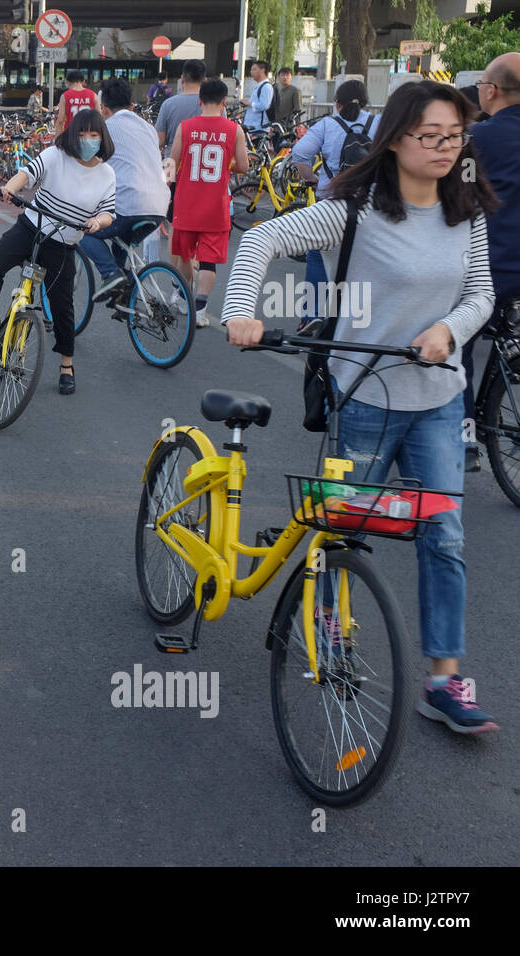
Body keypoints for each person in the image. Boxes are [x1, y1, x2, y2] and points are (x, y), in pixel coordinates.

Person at [223, 81, 499, 734]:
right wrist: (241, 312)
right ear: (396, 138)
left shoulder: (468, 211)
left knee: (446, 537)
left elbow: (481, 293)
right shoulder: (352, 210)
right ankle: (328, 620)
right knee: (341, 531)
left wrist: (449, 332)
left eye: (455, 136)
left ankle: (444, 680)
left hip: (437, 399)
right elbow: (261, 243)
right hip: (365, 400)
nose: (445, 147)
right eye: (431, 135)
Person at [0, 109, 116, 395]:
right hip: (31, 227)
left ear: (103, 138)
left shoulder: (107, 174)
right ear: (73, 134)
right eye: (82, 134)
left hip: (64, 244)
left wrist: (97, 222)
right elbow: (26, 175)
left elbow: (109, 212)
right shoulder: (55, 156)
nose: (87, 140)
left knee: (62, 307)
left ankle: (66, 363)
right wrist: (9, 189)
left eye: (94, 135)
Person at [462, 52, 520, 471]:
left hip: (493, 266)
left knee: (456, 337)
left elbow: (456, 197)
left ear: (492, 90)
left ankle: (464, 431)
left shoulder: (477, 140)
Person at [291, 79, 380, 324]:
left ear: (337, 104)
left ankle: (312, 315)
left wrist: (313, 178)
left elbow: (299, 154)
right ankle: (355, 319)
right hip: (368, 204)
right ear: (366, 103)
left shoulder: (327, 124)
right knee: (364, 260)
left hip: (330, 201)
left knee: (319, 255)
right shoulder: (378, 123)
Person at [81, 77, 170, 308]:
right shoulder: (149, 129)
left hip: (129, 205)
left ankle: (112, 274)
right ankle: (122, 293)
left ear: (104, 109)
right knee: (120, 239)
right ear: (131, 105)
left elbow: (86, 165)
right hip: (159, 207)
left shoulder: (105, 128)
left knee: (83, 231)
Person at [170, 78, 249, 327]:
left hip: (186, 202)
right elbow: (244, 166)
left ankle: (184, 296)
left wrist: (166, 189)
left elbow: (171, 162)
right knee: (208, 260)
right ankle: (201, 309)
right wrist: (228, 163)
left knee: (185, 255)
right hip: (215, 206)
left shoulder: (185, 127)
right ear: (225, 102)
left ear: (200, 100)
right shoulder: (234, 130)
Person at [156, 59, 205, 158]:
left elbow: (160, 140)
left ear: (182, 79)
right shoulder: (215, 105)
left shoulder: (168, 104)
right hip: (205, 165)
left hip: (174, 166)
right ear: (204, 80)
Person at [240, 60, 273, 131]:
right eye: (251, 70)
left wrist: (249, 103)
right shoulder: (259, 86)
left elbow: (264, 105)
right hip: (253, 126)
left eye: (254, 69)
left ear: (262, 71)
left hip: (259, 128)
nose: (251, 72)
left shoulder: (266, 86)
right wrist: (248, 103)